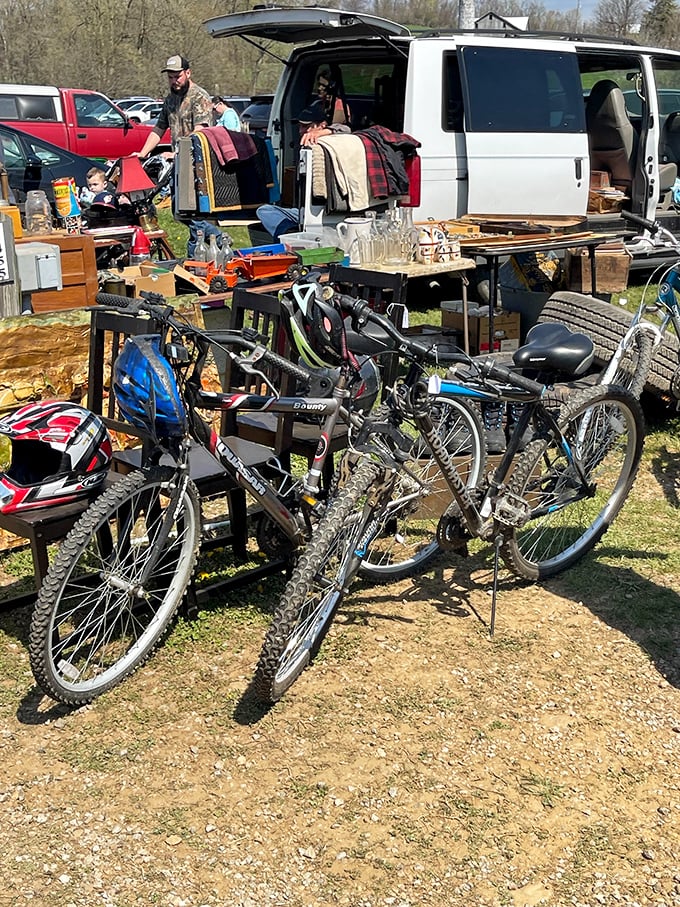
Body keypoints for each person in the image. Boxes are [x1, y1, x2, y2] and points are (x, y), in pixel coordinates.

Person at [136, 54, 217, 255]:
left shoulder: (200, 97)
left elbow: (200, 131)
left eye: (177, 76)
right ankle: (215, 237)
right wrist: (142, 153)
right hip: (178, 165)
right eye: (170, 77)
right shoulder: (170, 100)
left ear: (188, 73)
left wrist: (178, 152)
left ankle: (198, 253)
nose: (174, 81)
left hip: (198, 164)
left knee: (191, 212)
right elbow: (159, 128)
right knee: (179, 212)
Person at [256, 102, 349, 241]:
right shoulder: (305, 147)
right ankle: (290, 233)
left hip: (325, 210)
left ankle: (290, 235)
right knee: (264, 210)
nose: (301, 130)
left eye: (306, 126)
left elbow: (347, 130)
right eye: (300, 126)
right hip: (302, 212)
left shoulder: (334, 144)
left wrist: (325, 132)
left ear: (322, 125)